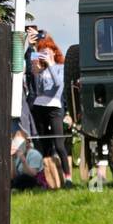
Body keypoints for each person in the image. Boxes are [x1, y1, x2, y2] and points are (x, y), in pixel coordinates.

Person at [30, 34, 73, 188]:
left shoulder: (61, 68)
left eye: (47, 51)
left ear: (54, 52)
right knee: (44, 144)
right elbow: (37, 90)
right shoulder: (41, 70)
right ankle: (49, 180)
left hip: (55, 107)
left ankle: (68, 178)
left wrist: (51, 65)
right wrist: (36, 71)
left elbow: (58, 86)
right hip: (40, 107)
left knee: (59, 144)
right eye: (42, 52)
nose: (45, 54)